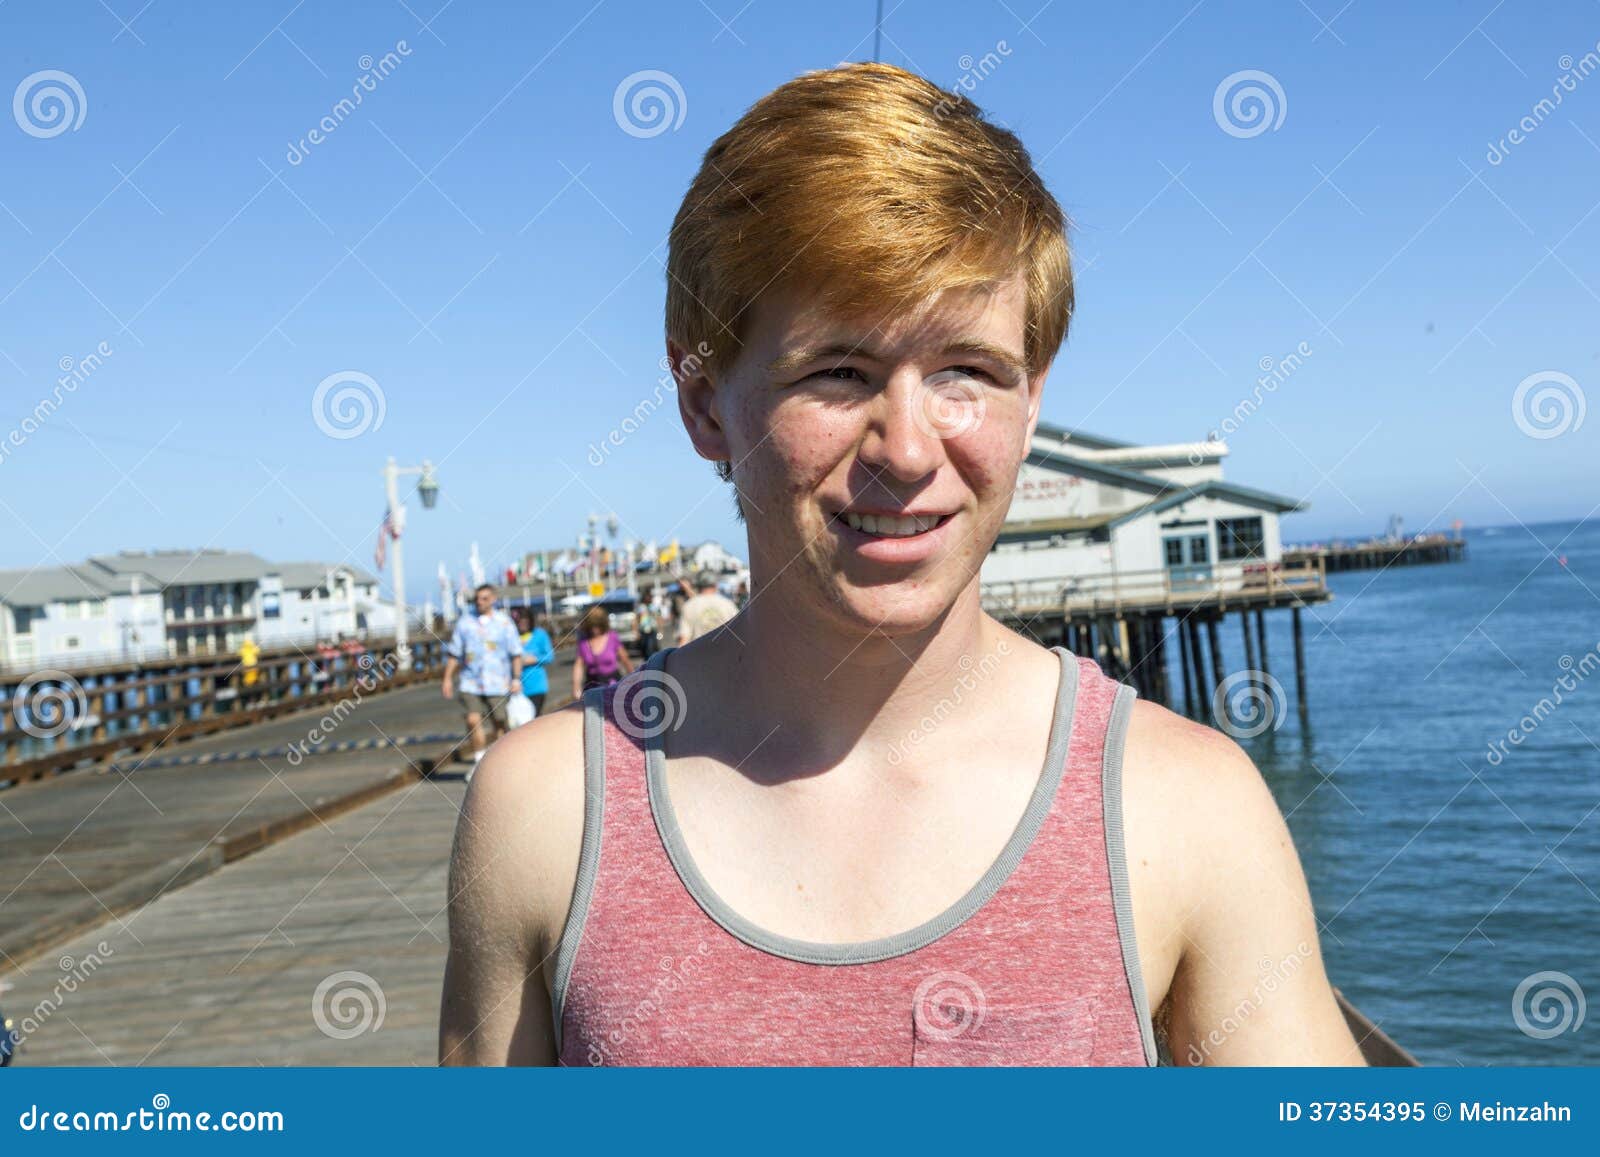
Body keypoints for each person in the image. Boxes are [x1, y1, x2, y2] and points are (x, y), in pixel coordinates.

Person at [442, 63, 1363, 1067]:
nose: (910, 450)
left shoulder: (1183, 809)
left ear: (1031, 402)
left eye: (967, 371)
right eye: (839, 372)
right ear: (705, 402)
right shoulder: (549, 812)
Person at [441, 584, 524, 775]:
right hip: (471, 682)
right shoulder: (465, 623)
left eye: (484, 598)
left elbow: (516, 653)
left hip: (498, 683)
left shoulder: (504, 622)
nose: (479, 602)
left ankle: (502, 763)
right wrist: (447, 679)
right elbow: (454, 653)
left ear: (493, 599)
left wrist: (516, 679)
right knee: (472, 720)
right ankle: (479, 762)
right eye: (477, 599)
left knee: (499, 723)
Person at [570, 604, 633, 698]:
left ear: (603, 624)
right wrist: (576, 687)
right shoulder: (583, 641)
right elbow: (578, 665)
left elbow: (625, 659)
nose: (594, 630)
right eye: (591, 626)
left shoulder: (612, 637)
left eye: (597, 626)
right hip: (592, 686)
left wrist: (633, 680)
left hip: (613, 685)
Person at [675, 570, 739, 645]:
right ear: (716, 585)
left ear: (698, 585)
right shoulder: (728, 604)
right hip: (726, 651)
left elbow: (684, 639)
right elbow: (739, 633)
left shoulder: (689, 606)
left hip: (698, 651)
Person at [518, 607, 555, 716]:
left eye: (525, 622)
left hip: (536, 686)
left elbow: (549, 656)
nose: (522, 625)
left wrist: (534, 659)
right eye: (519, 622)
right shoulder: (512, 636)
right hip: (517, 688)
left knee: (533, 717)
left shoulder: (540, 634)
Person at [635, 588, 659, 660]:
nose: (648, 599)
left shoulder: (654, 606)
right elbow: (637, 619)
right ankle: (646, 658)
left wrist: (660, 629)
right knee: (644, 645)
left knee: (652, 645)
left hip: (652, 628)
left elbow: (658, 617)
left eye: (649, 597)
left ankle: (652, 658)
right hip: (643, 629)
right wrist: (636, 631)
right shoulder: (641, 607)